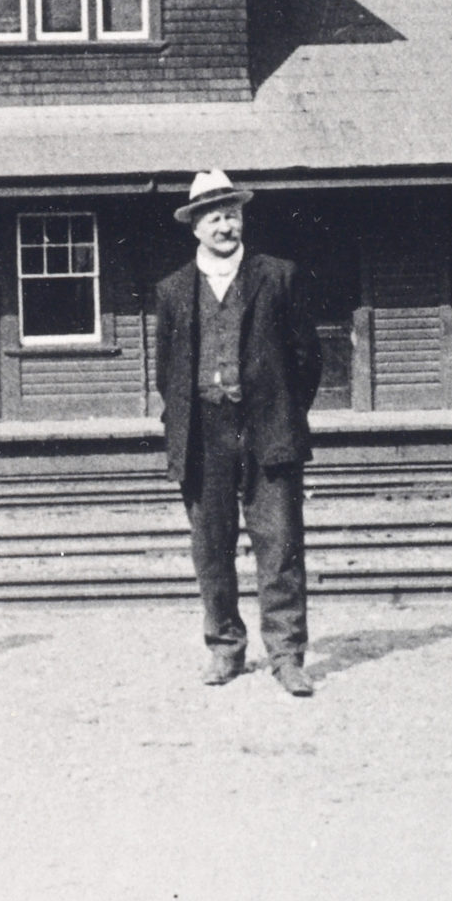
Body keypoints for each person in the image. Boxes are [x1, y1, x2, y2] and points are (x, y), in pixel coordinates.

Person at [153, 169, 323, 697]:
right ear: (195, 227)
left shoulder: (279, 276)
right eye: (213, 216)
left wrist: (280, 413)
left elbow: (307, 360)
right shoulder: (174, 290)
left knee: (280, 545)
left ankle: (288, 656)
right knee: (211, 547)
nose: (225, 225)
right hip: (204, 433)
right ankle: (224, 648)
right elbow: (167, 372)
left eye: (232, 213)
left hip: (268, 429)